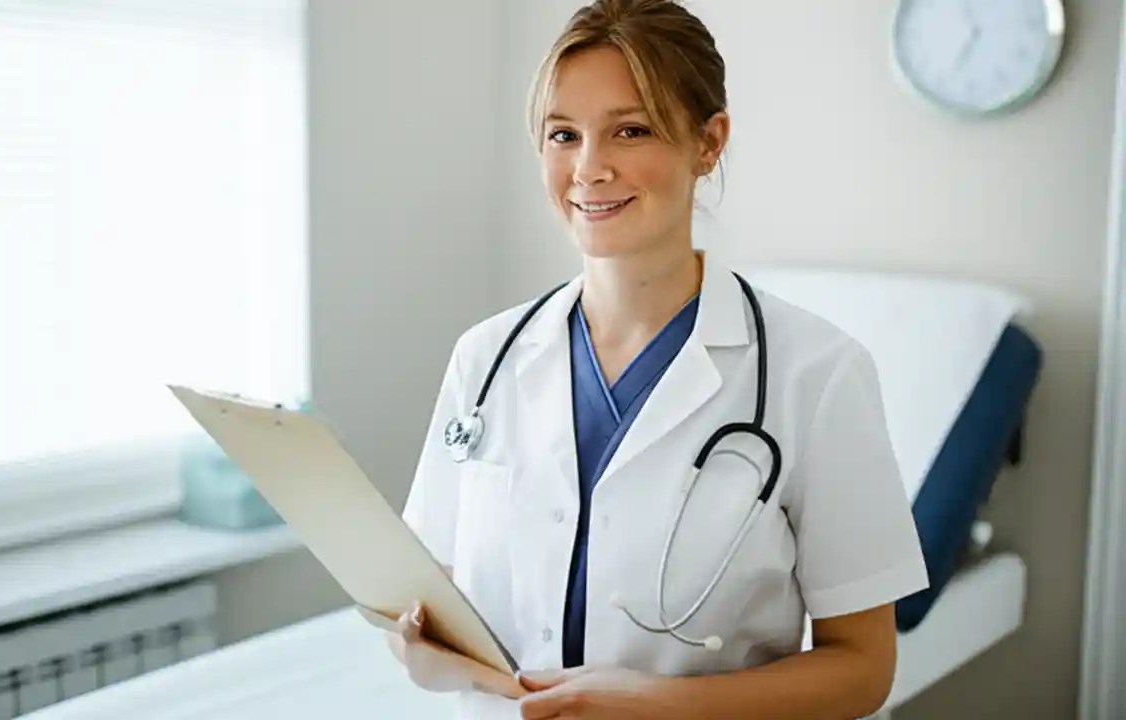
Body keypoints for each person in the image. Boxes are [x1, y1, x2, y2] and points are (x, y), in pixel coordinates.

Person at [388, 1, 929, 718]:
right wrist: (425, 656)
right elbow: (432, 589)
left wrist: (666, 704)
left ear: (709, 143)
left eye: (630, 130)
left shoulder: (817, 374)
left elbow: (864, 669)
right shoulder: (484, 357)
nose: (588, 168)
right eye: (562, 134)